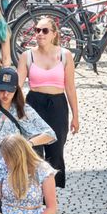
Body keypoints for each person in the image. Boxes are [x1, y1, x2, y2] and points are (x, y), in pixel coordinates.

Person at [17, 15, 79, 188]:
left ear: (54, 34)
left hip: (57, 105)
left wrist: (75, 116)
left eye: (44, 30)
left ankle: (50, 193)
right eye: (37, 30)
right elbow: (18, 86)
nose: (40, 34)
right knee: (33, 150)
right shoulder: (27, 55)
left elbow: (70, 88)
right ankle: (36, 192)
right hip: (34, 103)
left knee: (56, 150)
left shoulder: (65, 55)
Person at [0, 67, 55, 180]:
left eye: (10, 91)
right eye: (1, 90)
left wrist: (29, 143)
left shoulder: (24, 110)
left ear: (16, 91)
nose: (5, 94)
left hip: (14, 170)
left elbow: (50, 134)